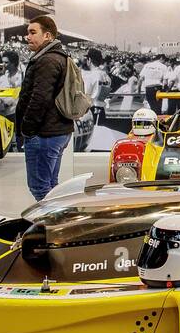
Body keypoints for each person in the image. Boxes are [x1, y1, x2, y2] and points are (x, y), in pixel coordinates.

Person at [15, 14, 74, 201]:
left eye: (33, 32)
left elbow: (39, 99)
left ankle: (52, 227)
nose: (28, 37)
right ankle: (56, 225)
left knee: (40, 188)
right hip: (55, 131)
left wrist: (27, 130)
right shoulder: (57, 57)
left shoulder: (47, 60)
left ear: (47, 36)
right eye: (27, 33)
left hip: (45, 134)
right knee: (50, 186)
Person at [82, 48, 111, 128]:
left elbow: (86, 95)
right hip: (102, 110)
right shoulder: (107, 76)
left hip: (91, 110)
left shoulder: (90, 76)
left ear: (89, 60)